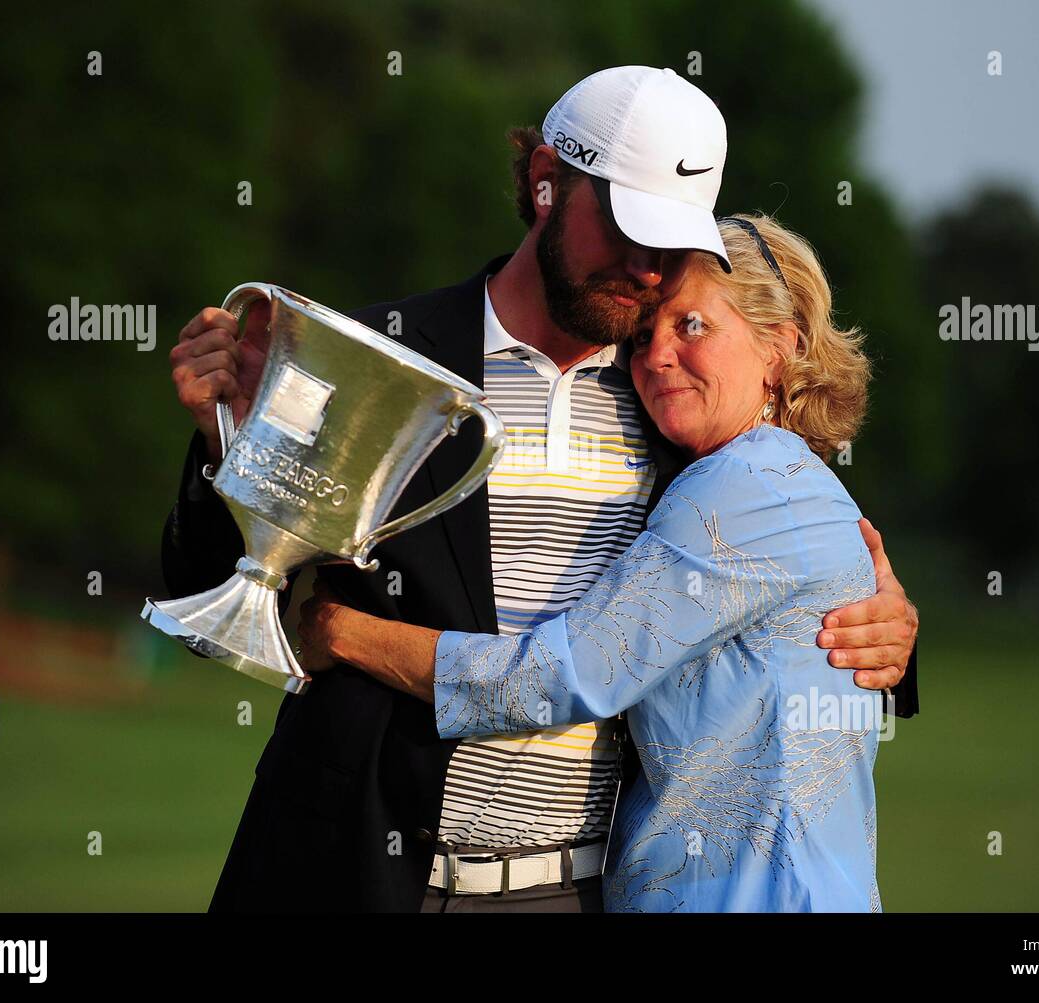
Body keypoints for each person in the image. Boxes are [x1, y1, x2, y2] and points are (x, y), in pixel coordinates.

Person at [162, 66, 918, 913]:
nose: (646, 267)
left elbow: (765, 577)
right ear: (546, 180)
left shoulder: (674, 399)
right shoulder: (382, 352)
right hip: (350, 869)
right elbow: (212, 592)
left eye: (670, 242)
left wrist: (890, 630)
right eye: (627, 227)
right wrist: (218, 443)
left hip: (573, 892)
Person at [299, 211, 886, 911]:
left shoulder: (742, 490)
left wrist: (344, 632)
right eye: (642, 336)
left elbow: (563, 675)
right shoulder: (776, 478)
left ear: (778, 348)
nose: (656, 355)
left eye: (691, 326)